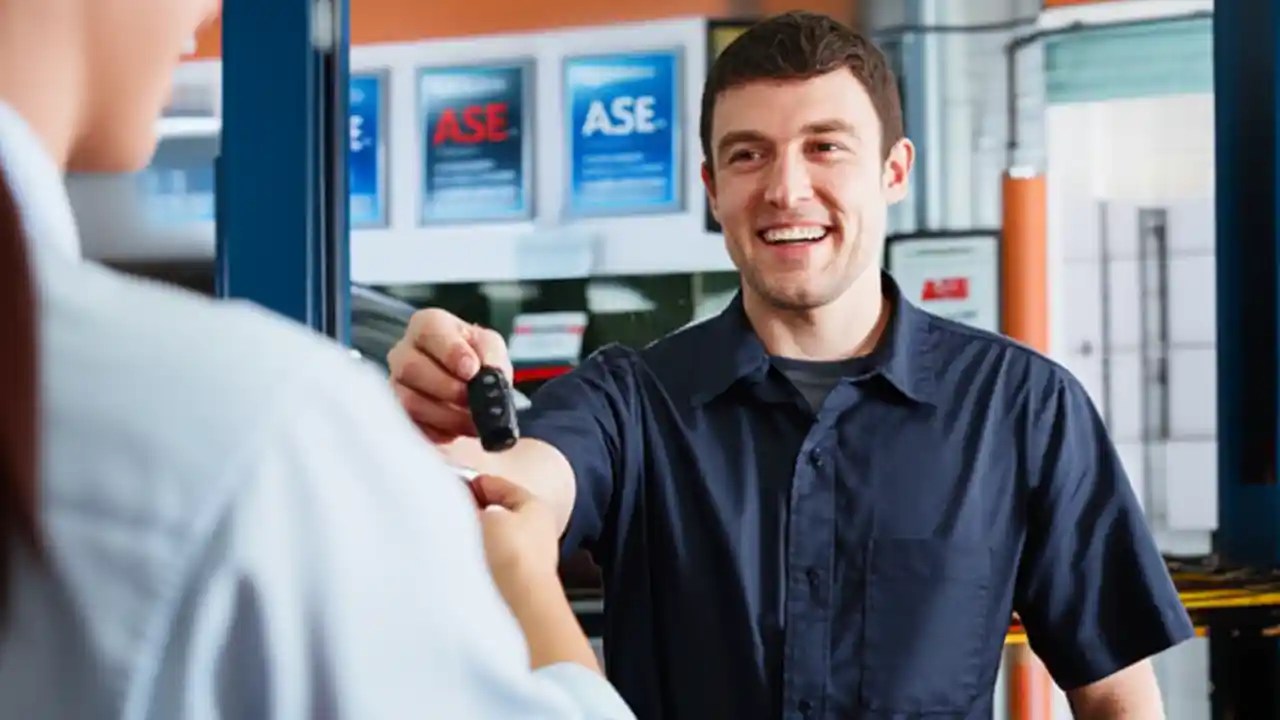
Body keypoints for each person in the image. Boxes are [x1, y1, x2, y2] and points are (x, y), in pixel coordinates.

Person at [389, 10, 1194, 720]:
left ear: (894, 171)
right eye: (748, 155)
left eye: (825, 148)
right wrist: (451, 431)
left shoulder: (1023, 407)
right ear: (712, 188)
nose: (786, 188)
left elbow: (1116, 695)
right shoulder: (631, 401)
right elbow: (528, 484)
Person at [0, 1, 634, 718]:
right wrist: (524, 584)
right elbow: (536, 475)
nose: (211, 11)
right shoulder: (258, 431)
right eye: (745, 153)